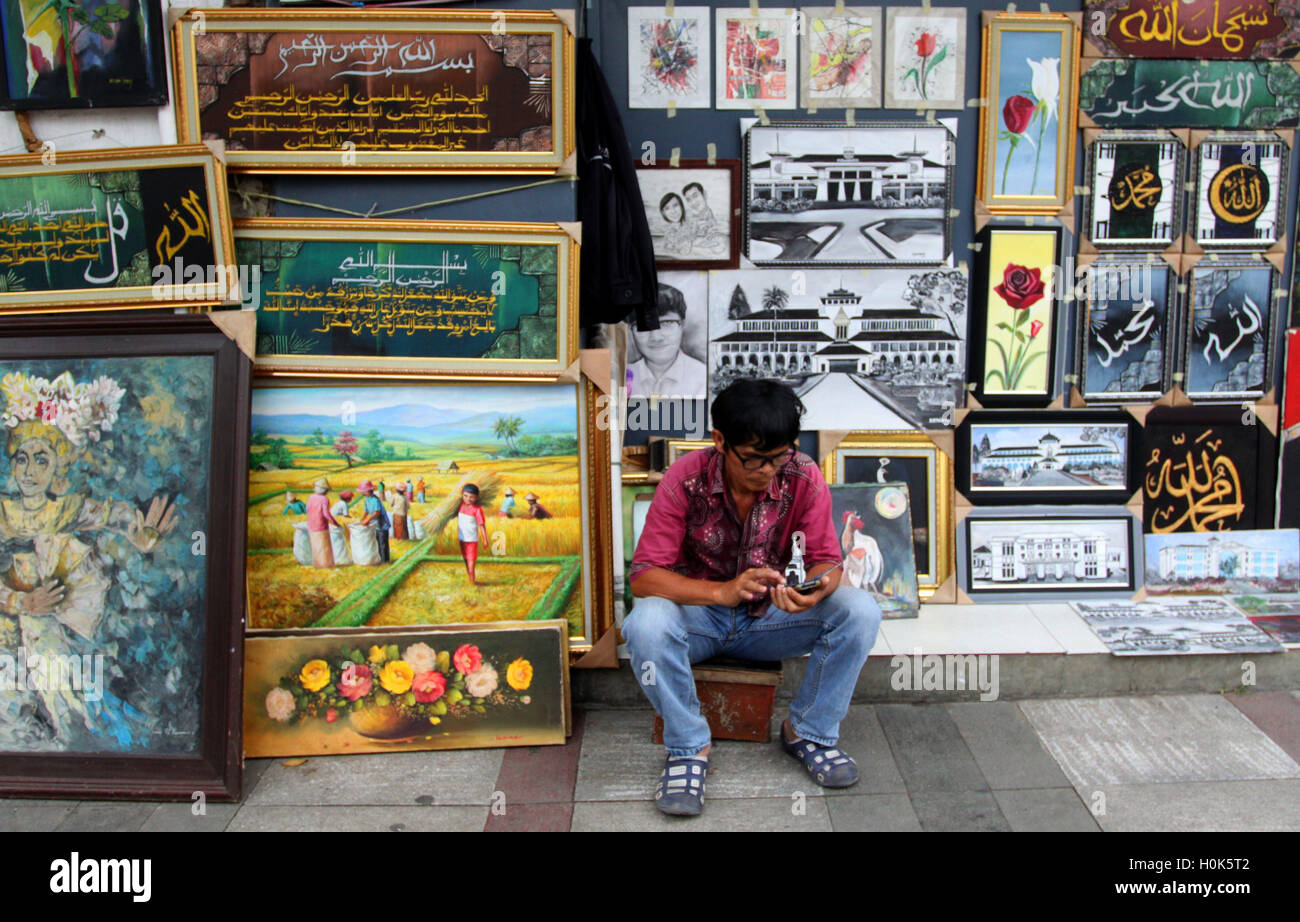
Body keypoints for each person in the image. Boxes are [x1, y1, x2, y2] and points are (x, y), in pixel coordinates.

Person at [624, 378, 882, 817]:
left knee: (860, 610)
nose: (768, 469)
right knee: (645, 622)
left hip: (771, 621)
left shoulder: (803, 475)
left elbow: (827, 561)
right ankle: (689, 748)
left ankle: (809, 731)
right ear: (719, 440)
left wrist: (814, 589)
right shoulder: (684, 479)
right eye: (755, 458)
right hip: (700, 621)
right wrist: (720, 592)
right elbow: (645, 577)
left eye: (779, 455)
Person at [626, 283, 708, 399]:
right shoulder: (622, 377)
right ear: (631, 330)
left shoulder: (703, 378)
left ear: (682, 324)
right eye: (643, 326)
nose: (656, 337)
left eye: (666, 323)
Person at [681, 181, 725, 256]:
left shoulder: (710, 214)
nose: (693, 202)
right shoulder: (689, 217)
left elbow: (713, 232)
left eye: (695, 196)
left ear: (704, 195)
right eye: (689, 200)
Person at [456, 483, 488, 586]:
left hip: (471, 540)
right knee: (466, 559)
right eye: (465, 496)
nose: (468, 499)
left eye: (472, 497)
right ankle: (471, 579)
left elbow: (481, 525)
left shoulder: (477, 509)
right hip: (461, 538)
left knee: (471, 561)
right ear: (462, 495)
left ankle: (472, 582)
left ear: (476, 498)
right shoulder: (460, 507)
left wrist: (485, 539)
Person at [305, 478, 339, 568]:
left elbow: (307, 509)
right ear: (325, 490)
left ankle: (317, 564)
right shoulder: (324, 499)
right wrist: (335, 522)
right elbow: (326, 514)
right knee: (324, 546)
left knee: (316, 545)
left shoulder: (311, 497)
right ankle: (326, 564)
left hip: (311, 525)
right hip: (321, 526)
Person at [358, 480, 391, 564]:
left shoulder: (375, 499)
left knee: (382, 543)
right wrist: (362, 519)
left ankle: (385, 561)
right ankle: (379, 559)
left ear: (369, 491)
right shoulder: (367, 499)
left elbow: (377, 512)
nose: (363, 493)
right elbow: (366, 511)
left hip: (382, 523)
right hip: (375, 524)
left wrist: (368, 520)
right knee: (377, 542)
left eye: (364, 492)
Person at [657, 192, 692, 258]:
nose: (673, 211)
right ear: (663, 213)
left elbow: (686, 251)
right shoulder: (668, 232)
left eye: (675, 205)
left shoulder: (691, 226)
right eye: (667, 208)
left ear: (681, 206)